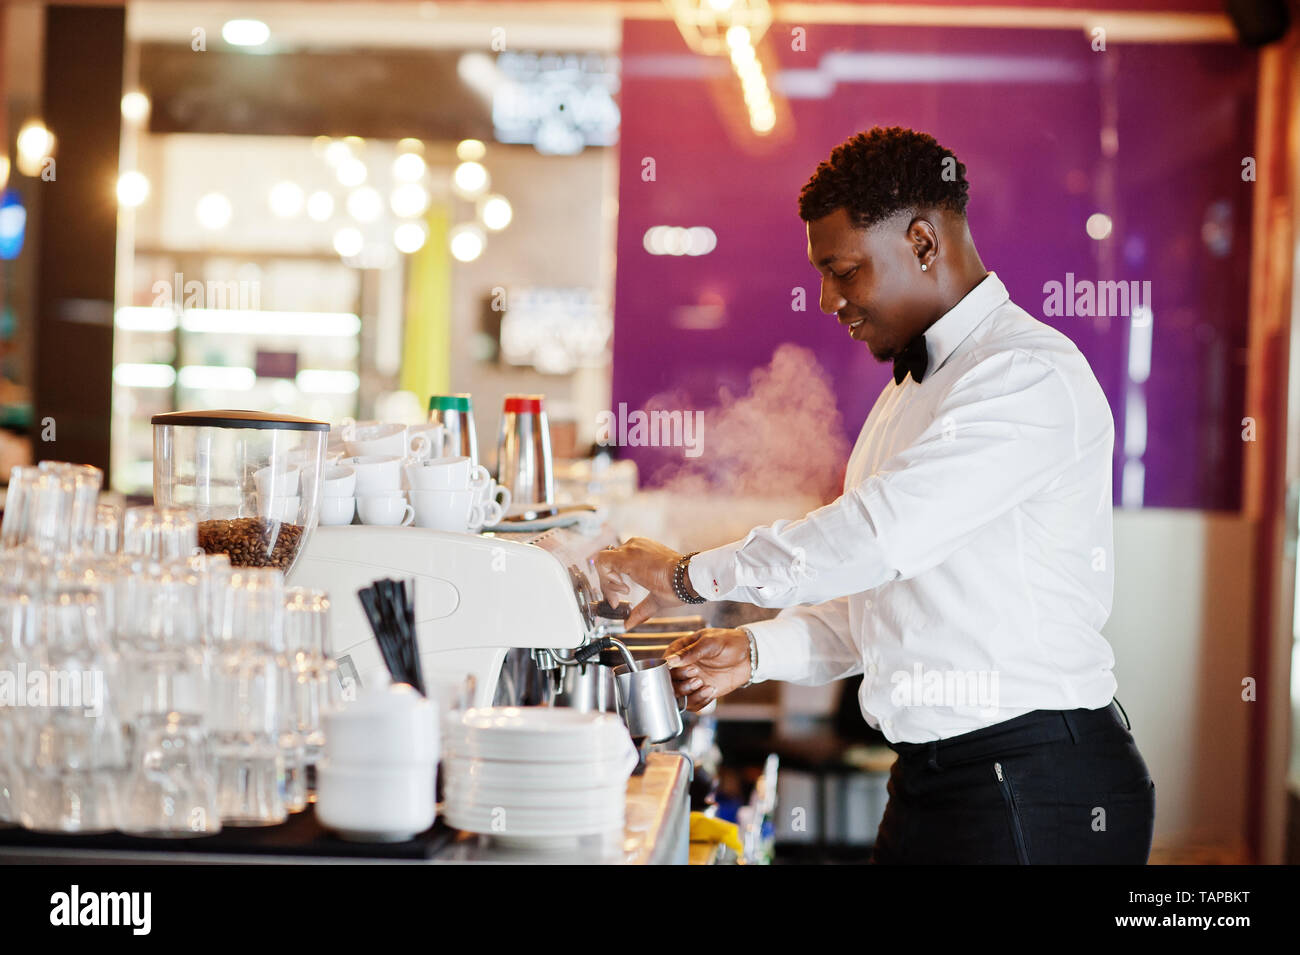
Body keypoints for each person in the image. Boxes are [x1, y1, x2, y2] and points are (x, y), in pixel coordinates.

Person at [595, 126, 1155, 864]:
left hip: (1033, 782)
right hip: (937, 777)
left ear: (923, 242)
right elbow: (885, 597)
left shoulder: (1026, 374)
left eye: (844, 271)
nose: (828, 299)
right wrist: (754, 648)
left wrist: (684, 576)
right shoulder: (908, 394)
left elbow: (876, 537)